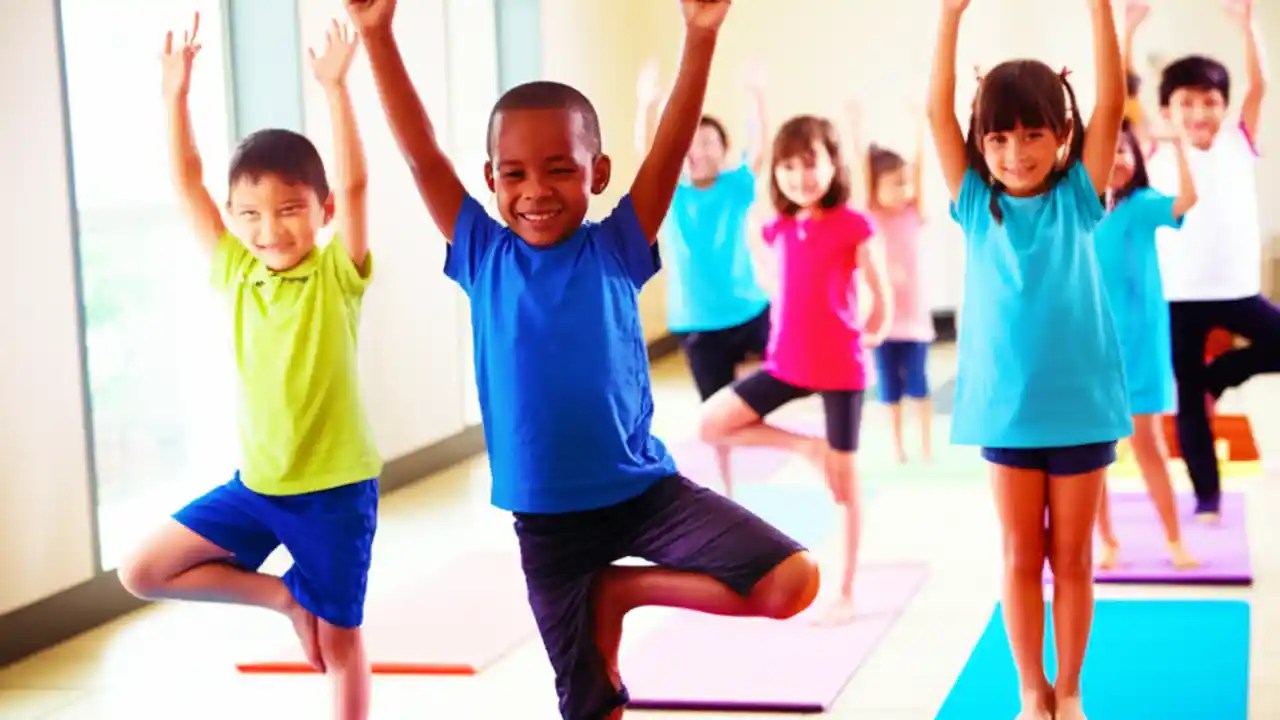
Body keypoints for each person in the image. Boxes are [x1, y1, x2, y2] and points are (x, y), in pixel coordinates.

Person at [345, 1, 821, 718]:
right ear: (491, 179)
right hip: (549, 526)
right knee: (591, 705)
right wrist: (377, 35)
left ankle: (620, 590)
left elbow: (668, 148)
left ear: (596, 172)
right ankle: (600, 598)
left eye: (559, 170)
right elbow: (421, 153)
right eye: (514, 175)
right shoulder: (482, 253)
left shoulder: (617, 246)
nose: (535, 191)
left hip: (645, 497)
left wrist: (699, 37)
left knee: (793, 580)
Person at [117, 15, 381, 720]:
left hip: (335, 496)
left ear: (320, 211)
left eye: (291, 210)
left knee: (339, 642)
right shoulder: (235, 271)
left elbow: (356, 186)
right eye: (252, 215)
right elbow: (187, 181)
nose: (271, 230)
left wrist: (336, 88)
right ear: (235, 220)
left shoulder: (336, 275)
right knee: (141, 570)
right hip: (259, 487)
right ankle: (283, 596)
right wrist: (175, 96)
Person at [926, 0, 1130, 717]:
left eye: (1034, 134)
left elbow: (1115, 98)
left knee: (1071, 559)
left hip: (1081, 408)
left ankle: (1069, 691)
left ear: (1063, 134)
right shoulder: (975, 202)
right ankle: (1031, 690)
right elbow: (935, 115)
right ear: (982, 142)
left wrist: (1100, 8)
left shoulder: (1080, 193)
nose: (1016, 152)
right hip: (1005, 410)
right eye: (1000, 137)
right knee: (1020, 555)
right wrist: (949, 17)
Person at [699, 115, 891, 626]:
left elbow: (879, 289)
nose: (800, 176)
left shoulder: (852, 223)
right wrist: (800, 444)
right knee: (710, 423)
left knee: (844, 487)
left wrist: (874, 326)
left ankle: (846, 591)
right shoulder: (779, 228)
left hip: (841, 370)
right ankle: (806, 446)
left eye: (810, 163)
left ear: (833, 165)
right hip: (786, 365)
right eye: (788, 166)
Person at [1147, 0, 1279, 522]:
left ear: (1223, 106)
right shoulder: (1156, 151)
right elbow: (1126, 96)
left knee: (1213, 378)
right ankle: (1206, 497)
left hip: (1238, 289)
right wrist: (1129, 31)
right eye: (1186, 102)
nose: (1199, 112)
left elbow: (1260, 86)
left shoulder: (1236, 143)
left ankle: (1223, 372)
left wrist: (1249, 28)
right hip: (1178, 296)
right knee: (1189, 404)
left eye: (1210, 100)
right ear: (1167, 111)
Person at [634, 57, 771, 497]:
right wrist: (646, 106)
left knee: (783, 372)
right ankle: (729, 489)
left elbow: (762, 147)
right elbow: (651, 155)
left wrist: (757, 96)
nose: (699, 150)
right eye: (690, 144)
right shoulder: (672, 195)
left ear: (723, 150)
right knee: (714, 415)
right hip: (697, 323)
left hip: (749, 308)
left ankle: (773, 426)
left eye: (709, 142)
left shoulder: (736, 185)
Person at [1093, 119, 1200, 570]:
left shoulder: (1142, 204)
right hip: (1093, 346)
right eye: (1109, 151)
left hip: (1141, 344)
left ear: (1137, 160)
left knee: (1147, 444)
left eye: (1124, 151)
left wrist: (1178, 148)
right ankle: (1107, 541)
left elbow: (1187, 201)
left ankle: (1174, 539)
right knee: (1092, 451)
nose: (1117, 159)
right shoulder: (1084, 211)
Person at [848, 100, 935, 463]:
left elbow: (923, 172)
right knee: (889, 389)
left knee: (919, 384)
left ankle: (926, 445)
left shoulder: (915, 214)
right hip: (880, 323)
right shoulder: (869, 219)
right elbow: (860, 173)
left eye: (905, 182)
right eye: (894, 184)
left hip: (914, 322)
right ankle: (898, 445)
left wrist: (919, 127)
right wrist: (856, 129)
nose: (903, 190)